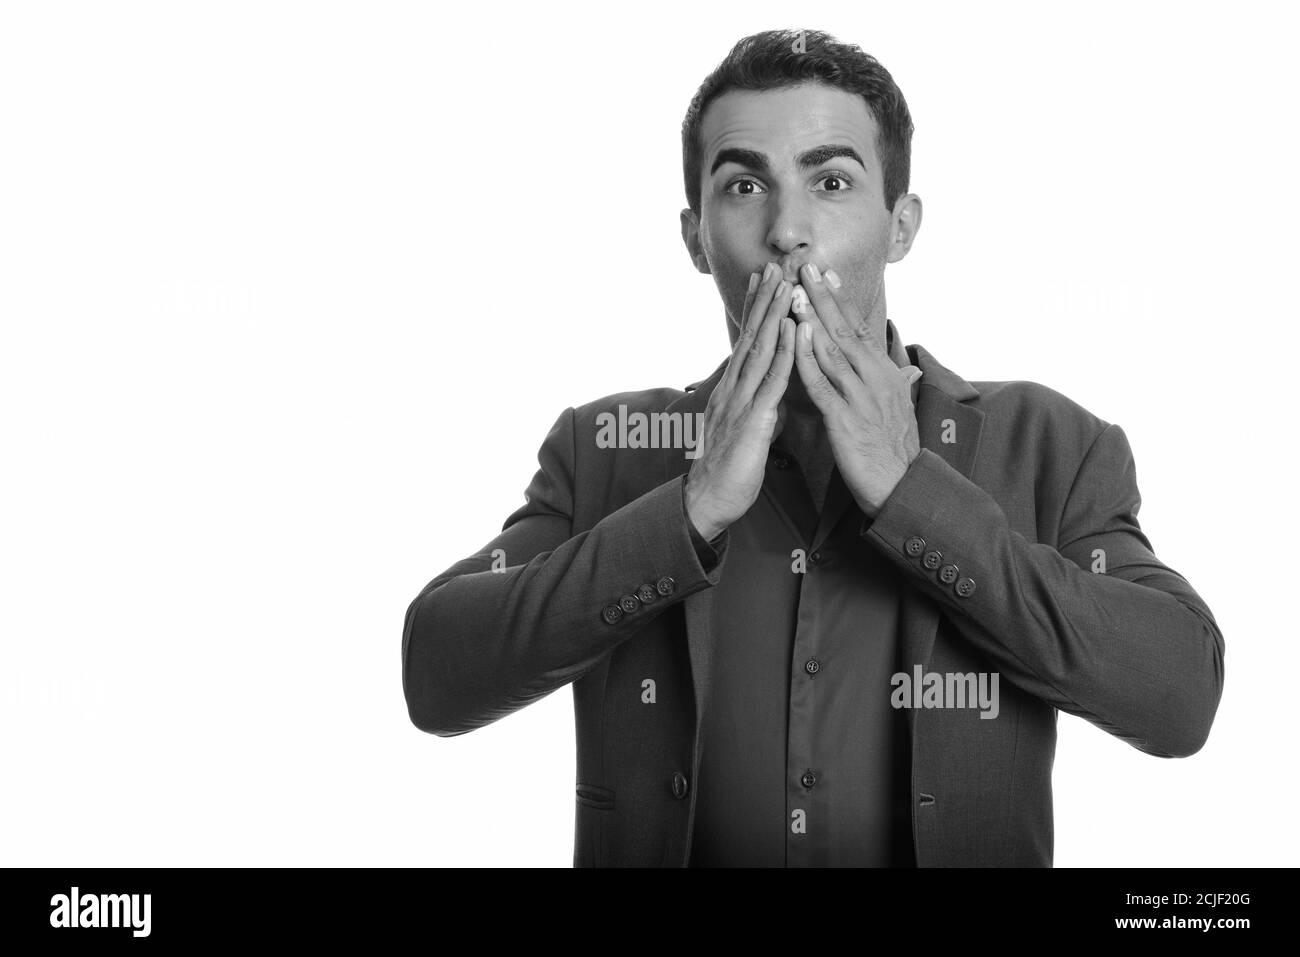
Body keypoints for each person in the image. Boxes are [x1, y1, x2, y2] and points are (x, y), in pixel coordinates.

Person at [401, 28, 1225, 867]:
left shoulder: (1050, 444)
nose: (787, 229)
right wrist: (685, 513)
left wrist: (916, 497)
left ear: (900, 225)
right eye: (744, 184)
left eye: (831, 181)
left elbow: (1179, 693)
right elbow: (437, 671)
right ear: (695, 239)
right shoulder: (606, 449)